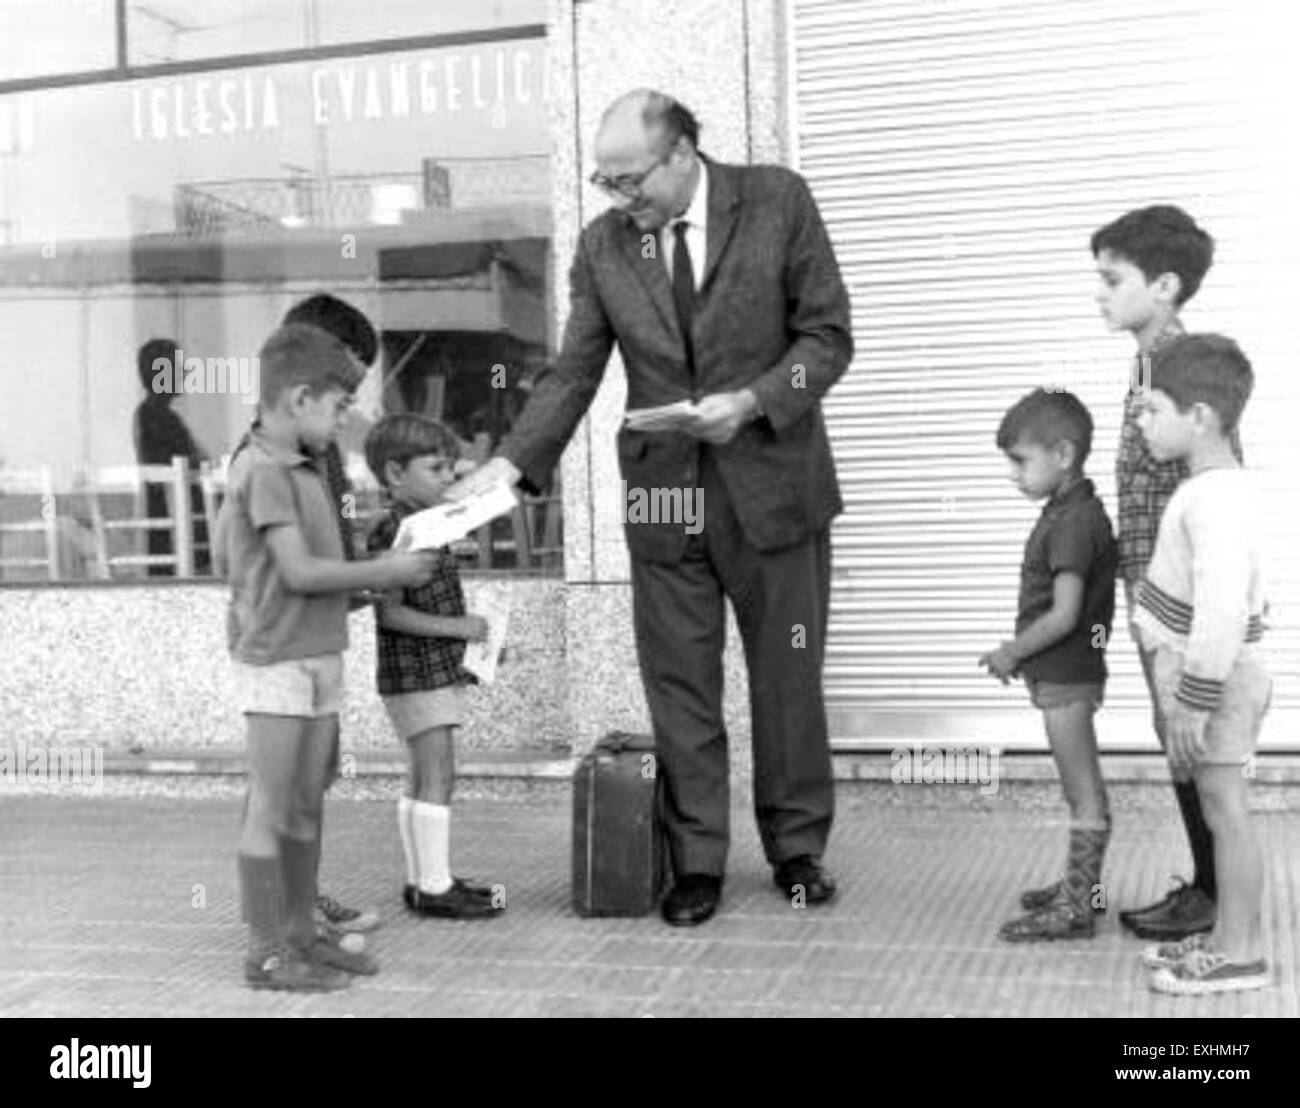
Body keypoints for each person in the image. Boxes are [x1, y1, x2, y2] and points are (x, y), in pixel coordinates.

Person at [447, 89, 853, 926]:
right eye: (608, 182)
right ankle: (698, 859)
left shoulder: (776, 199)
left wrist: (757, 400)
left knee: (787, 678)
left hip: (775, 484)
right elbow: (573, 370)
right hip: (667, 492)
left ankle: (798, 848)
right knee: (680, 683)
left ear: (681, 155)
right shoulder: (604, 246)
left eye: (630, 180)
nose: (620, 197)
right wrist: (514, 464)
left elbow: (829, 340)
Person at [221, 323, 437, 991]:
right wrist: (386, 565)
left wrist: (372, 585)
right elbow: (298, 573)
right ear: (299, 397)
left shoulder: (307, 469)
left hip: (320, 654)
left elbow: (321, 578)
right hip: (278, 663)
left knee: (308, 806)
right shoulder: (261, 469)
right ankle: (266, 951)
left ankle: (302, 934)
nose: (345, 422)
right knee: (272, 812)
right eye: (339, 407)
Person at [1093, 205, 1240, 942]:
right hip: (1151, 591)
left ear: (1166, 285)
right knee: (1172, 732)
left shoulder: (1183, 366)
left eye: (1113, 279)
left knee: (1191, 737)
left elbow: (1214, 480)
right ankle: (1210, 884)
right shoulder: (1148, 358)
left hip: (1178, 596)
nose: (1100, 292)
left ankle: (1215, 894)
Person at [226, 294, 382, 938]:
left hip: (318, 633)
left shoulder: (312, 449)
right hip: (281, 645)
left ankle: (299, 913)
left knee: (311, 781)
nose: (349, 404)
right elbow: (282, 566)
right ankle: (277, 930)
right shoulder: (263, 459)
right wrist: (371, 574)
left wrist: (359, 571)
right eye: (343, 389)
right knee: (279, 793)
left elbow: (324, 539)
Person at [1130, 334, 1270, 995]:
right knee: (1222, 810)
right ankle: (1225, 940)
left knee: (1227, 813)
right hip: (1209, 680)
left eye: (1153, 408)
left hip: (1212, 683)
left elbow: (1220, 610)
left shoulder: (1213, 497)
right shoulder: (1211, 491)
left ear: (1201, 416)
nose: (1141, 421)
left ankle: (1239, 953)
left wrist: (1192, 698)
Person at [979, 389, 1117, 941]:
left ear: (1063, 454)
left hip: (1067, 676)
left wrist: (1010, 652)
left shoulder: (1074, 522)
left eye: (1020, 460)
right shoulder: (1069, 510)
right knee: (1080, 788)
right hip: (1063, 676)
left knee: (1082, 790)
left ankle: (1077, 909)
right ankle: (1079, 890)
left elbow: (1064, 615)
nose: (1013, 473)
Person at [363, 414, 501, 919]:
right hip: (416, 671)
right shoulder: (399, 528)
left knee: (422, 775)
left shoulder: (424, 524)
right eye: (435, 467)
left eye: (450, 466)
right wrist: (459, 629)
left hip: (426, 671)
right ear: (396, 474)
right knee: (439, 773)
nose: (448, 476)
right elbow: (389, 610)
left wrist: (469, 640)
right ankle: (435, 887)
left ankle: (425, 879)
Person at [132, 337, 208, 575]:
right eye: (178, 367)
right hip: (176, 516)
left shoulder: (150, 414)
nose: (185, 372)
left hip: (169, 511)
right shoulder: (161, 418)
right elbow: (191, 462)